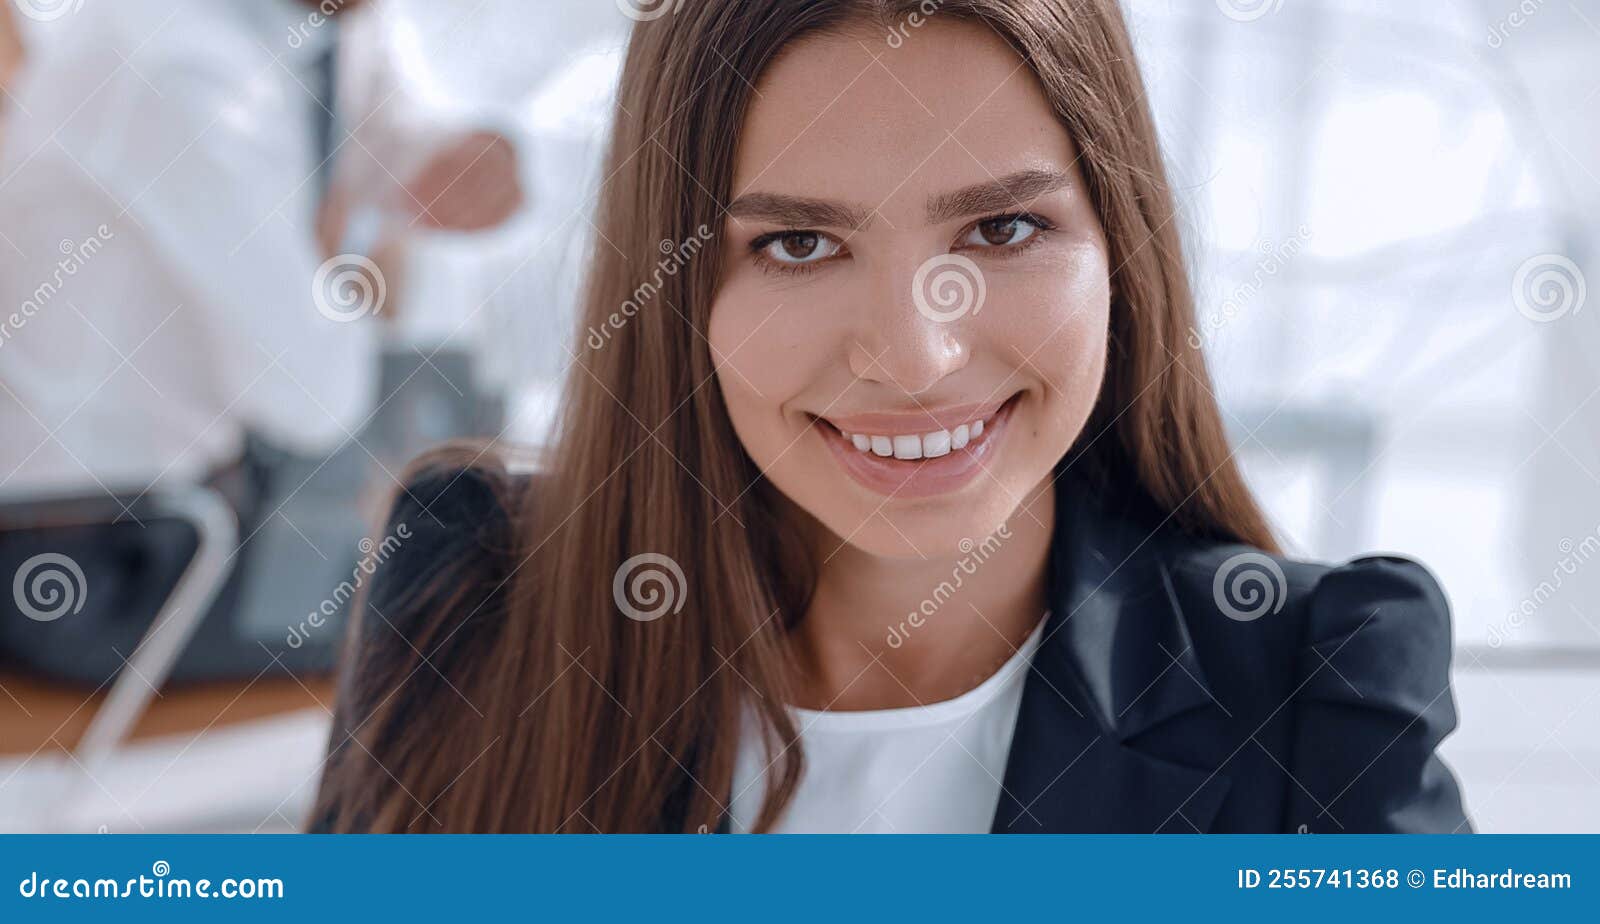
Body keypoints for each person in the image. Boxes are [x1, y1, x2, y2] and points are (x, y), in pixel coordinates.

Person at [312, 0, 1469, 834]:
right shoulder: (470, 593)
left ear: (1122, 248)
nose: (914, 358)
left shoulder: (1318, 691)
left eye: (1002, 230)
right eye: (798, 245)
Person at [0, 0, 523, 684]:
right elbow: (312, 401)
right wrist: (369, 252)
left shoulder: (318, 23)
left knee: (503, 533)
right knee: (505, 601)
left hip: (197, 518)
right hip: (98, 571)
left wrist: (438, 162)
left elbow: (387, 126)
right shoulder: (177, 67)